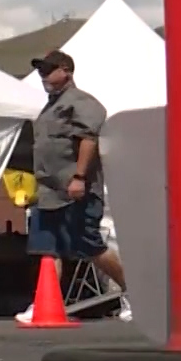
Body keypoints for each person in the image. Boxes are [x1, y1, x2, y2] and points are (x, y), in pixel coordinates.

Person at [27, 50, 126, 303]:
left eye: (48, 70)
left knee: (89, 245)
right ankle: (45, 303)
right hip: (49, 191)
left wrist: (79, 176)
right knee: (48, 249)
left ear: (66, 71)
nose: (43, 76)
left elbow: (88, 139)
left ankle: (134, 292)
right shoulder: (50, 107)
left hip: (75, 189)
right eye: (40, 71)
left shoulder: (81, 102)